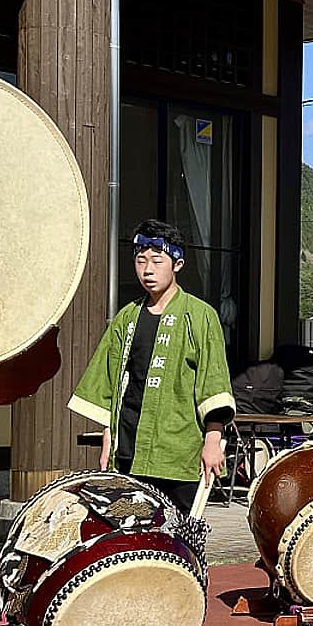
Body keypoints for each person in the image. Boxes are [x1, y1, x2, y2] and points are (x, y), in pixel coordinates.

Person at [69, 219, 235, 514]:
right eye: (140, 260)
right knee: (131, 532)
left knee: (180, 535)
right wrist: (109, 435)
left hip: (179, 448)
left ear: (177, 264)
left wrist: (213, 440)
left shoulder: (199, 316)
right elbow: (108, 380)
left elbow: (214, 381)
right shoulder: (127, 317)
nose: (147, 269)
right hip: (129, 446)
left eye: (157, 261)